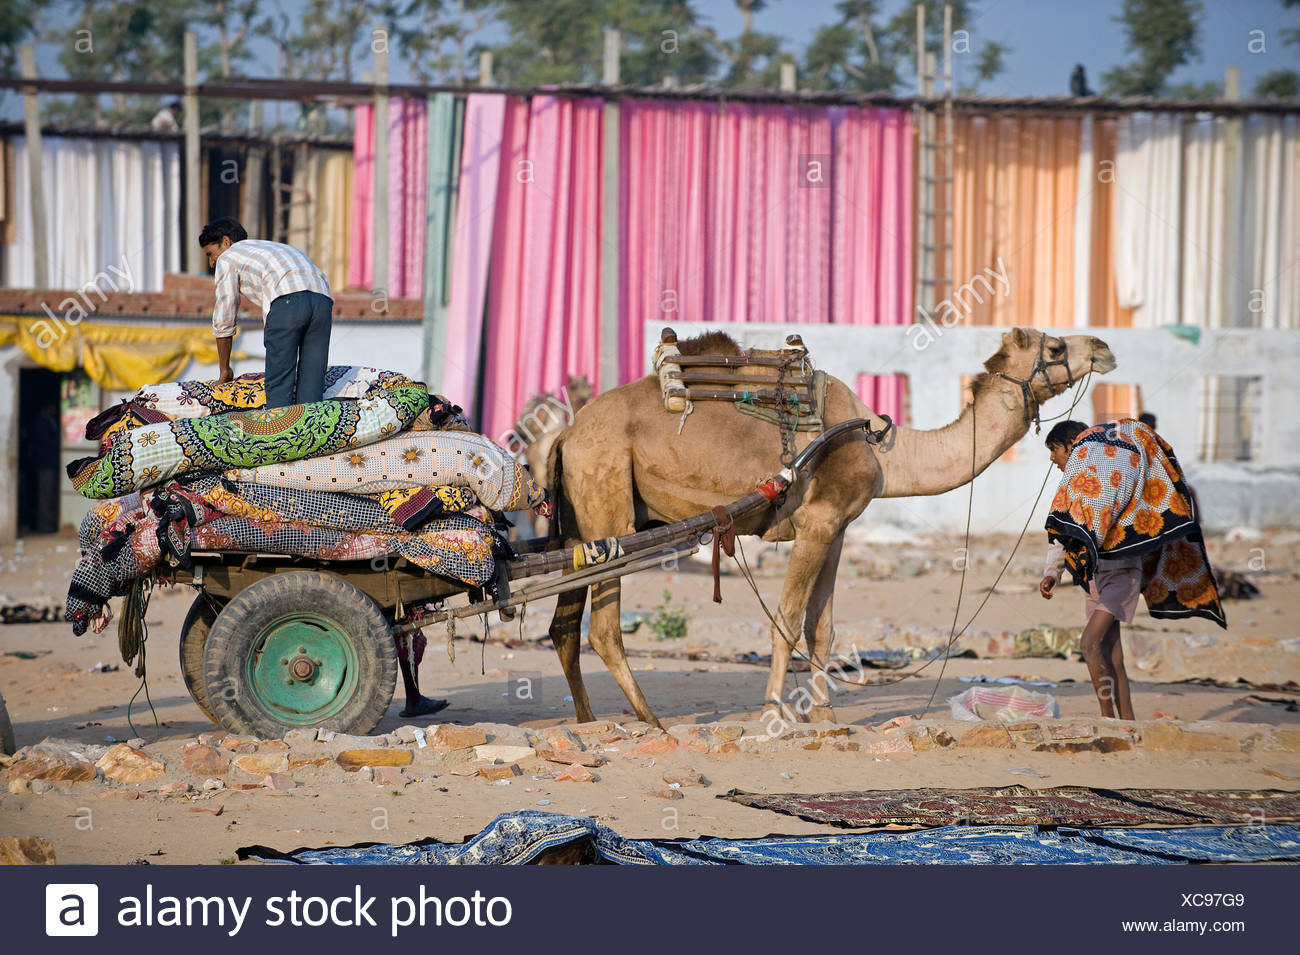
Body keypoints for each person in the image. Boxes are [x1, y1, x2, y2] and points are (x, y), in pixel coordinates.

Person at [1038, 420, 1139, 720]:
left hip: (1121, 572)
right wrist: (1052, 573)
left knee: (1088, 643)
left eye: (1055, 450)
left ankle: (1108, 720)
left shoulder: (1107, 481)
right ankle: (1129, 725)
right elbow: (1063, 530)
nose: (1052, 458)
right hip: (1095, 578)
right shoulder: (1072, 486)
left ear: (1072, 446)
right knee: (1113, 656)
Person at [199, 217, 334, 408]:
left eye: (210, 254)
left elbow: (225, 313)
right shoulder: (274, 247)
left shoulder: (228, 257)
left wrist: (224, 369)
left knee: (279, 388)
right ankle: (308, 433)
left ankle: (280, 434)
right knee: (312, 388)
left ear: (226, 242)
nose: (212, 263)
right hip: (323, 300)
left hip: (287, 300)